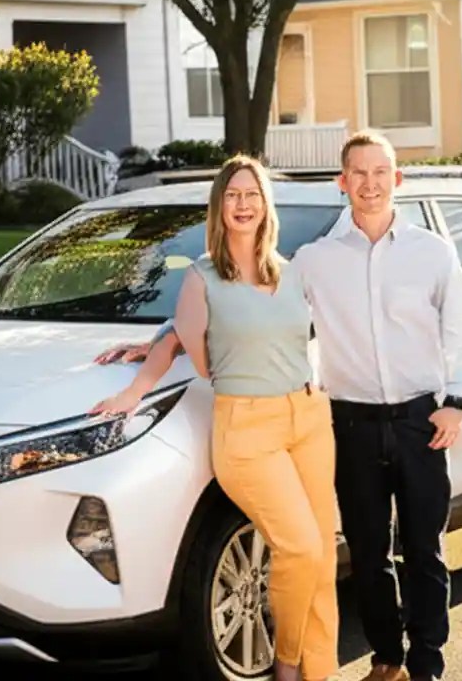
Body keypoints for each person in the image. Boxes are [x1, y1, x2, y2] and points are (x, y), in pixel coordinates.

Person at [97, 131, 462, 681]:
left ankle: (420, 667)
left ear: (396, 179)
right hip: (343, 423)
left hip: (405, 419)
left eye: (381, 173)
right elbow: (223, 303)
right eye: (359, 174)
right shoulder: (315, 260)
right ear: (342, 183)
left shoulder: (415, 255)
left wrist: (458, 401)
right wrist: (160, 342)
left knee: (416, 550)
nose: (371, 185)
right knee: (358, 555)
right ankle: (373, 661)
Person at [89, 154, 341, 681]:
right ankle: (288, 667)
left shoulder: (291, 273)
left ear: (265, 205)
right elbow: (181, 335)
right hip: (247, 428)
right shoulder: (204, 277)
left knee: (319, 560)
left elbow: (294, 336)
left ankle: (320, 673)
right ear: (220, 207)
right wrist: (135, 390)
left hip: (309, 418)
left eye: (252, 194)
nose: (243, 204)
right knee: (297, 547)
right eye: (233, 195)